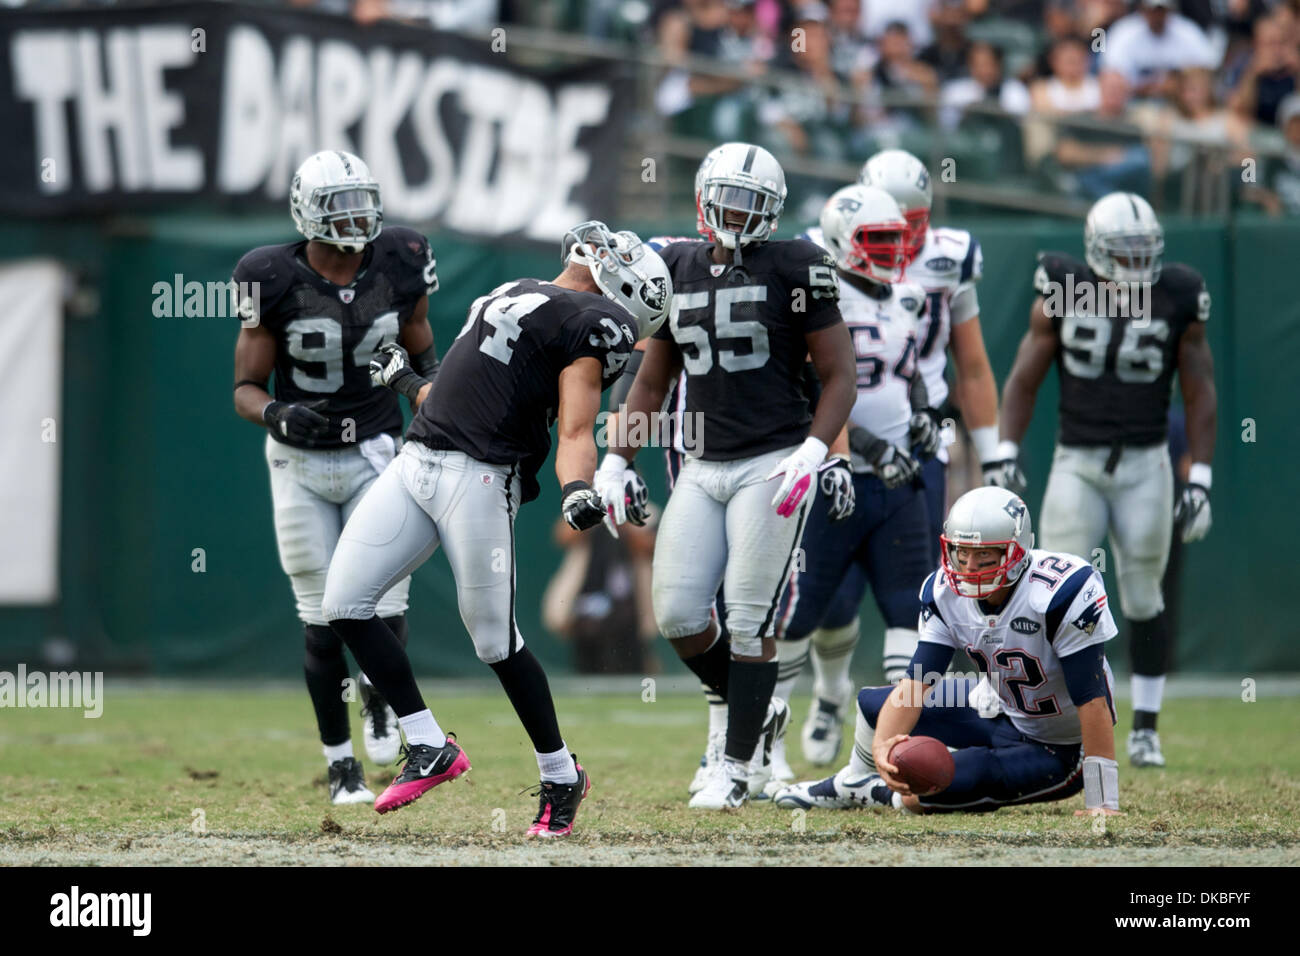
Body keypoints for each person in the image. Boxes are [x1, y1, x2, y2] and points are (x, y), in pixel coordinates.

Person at [320, 221, 671, 837]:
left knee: (494, 642)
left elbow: (573, 429)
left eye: (627, 259)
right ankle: (427, 744)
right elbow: (452, 395)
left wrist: (577, 490)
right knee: (343, 604)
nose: (613, 251)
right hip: (417, 459)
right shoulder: (515, 287)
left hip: (481, 479)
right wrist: (404, 380)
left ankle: (562, 775)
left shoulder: (596, 323)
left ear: (627, 295)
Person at [598, 142, 857, 809]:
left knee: (747, 618)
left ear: (771, 210)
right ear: (702, 199)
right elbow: (653, 376)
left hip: (773, 457)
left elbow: (840, 374)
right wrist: (616, 457)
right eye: (728, 199)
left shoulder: (799, 263)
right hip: (701, 463)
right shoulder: (676, 263)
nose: (738, 213)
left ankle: (735, 768)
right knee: (680, 614)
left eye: (752, 204)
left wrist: (814, 449)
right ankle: (757, 707)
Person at [231, 149, 439, 805]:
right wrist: (275, 413)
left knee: (385, 609)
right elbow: (244, 386)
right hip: (300, 463)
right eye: (339, 206)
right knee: (321, 623)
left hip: (379, 452)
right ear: (307, 212)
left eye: (362, 202)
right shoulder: (266, 274)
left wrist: (427, 399)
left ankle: (379, 693)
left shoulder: (403, 256)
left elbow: (421, 343)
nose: (355, 217)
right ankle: (339, 761)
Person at [998, 191, 1217, 768]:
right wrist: (1004, 449)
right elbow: (1026, 374)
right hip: (1078, 459)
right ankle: (1043, 717)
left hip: (1146, 462)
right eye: (1124, 252)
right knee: (1052, 596)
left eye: (1144, 252)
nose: (1135, 265)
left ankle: (1145, 728)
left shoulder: (1177, 293)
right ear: (1095, 250)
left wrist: (1202, 477)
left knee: (1145, 591)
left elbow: (1199, 387)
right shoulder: (1065, 284)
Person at [776, 486, 1122, 816]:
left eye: (984, 555)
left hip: (1058, 748)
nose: (969, 568)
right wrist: (883, 750)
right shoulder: (944, 593)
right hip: (998, 709)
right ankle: (851, 781)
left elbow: (1092, 700)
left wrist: (1102, 799)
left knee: (924, 788)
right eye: (962, 553)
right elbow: (914, 687)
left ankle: (878, 794)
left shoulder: (1062, 592)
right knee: (875, 705)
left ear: (1016, 551)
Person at [773, 184, 936, 777]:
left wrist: (922, 418)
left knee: (911, 615)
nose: (893, 250)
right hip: (831, 480)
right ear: (842, 242)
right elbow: (812, 387)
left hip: (896, 485)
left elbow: (908, 374)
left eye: (898, 238)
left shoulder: (910, 298)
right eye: (878, 240)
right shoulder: (823, 295)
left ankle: (886, 756)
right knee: (800, 617)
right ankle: (769, 748)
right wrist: (868, 445)